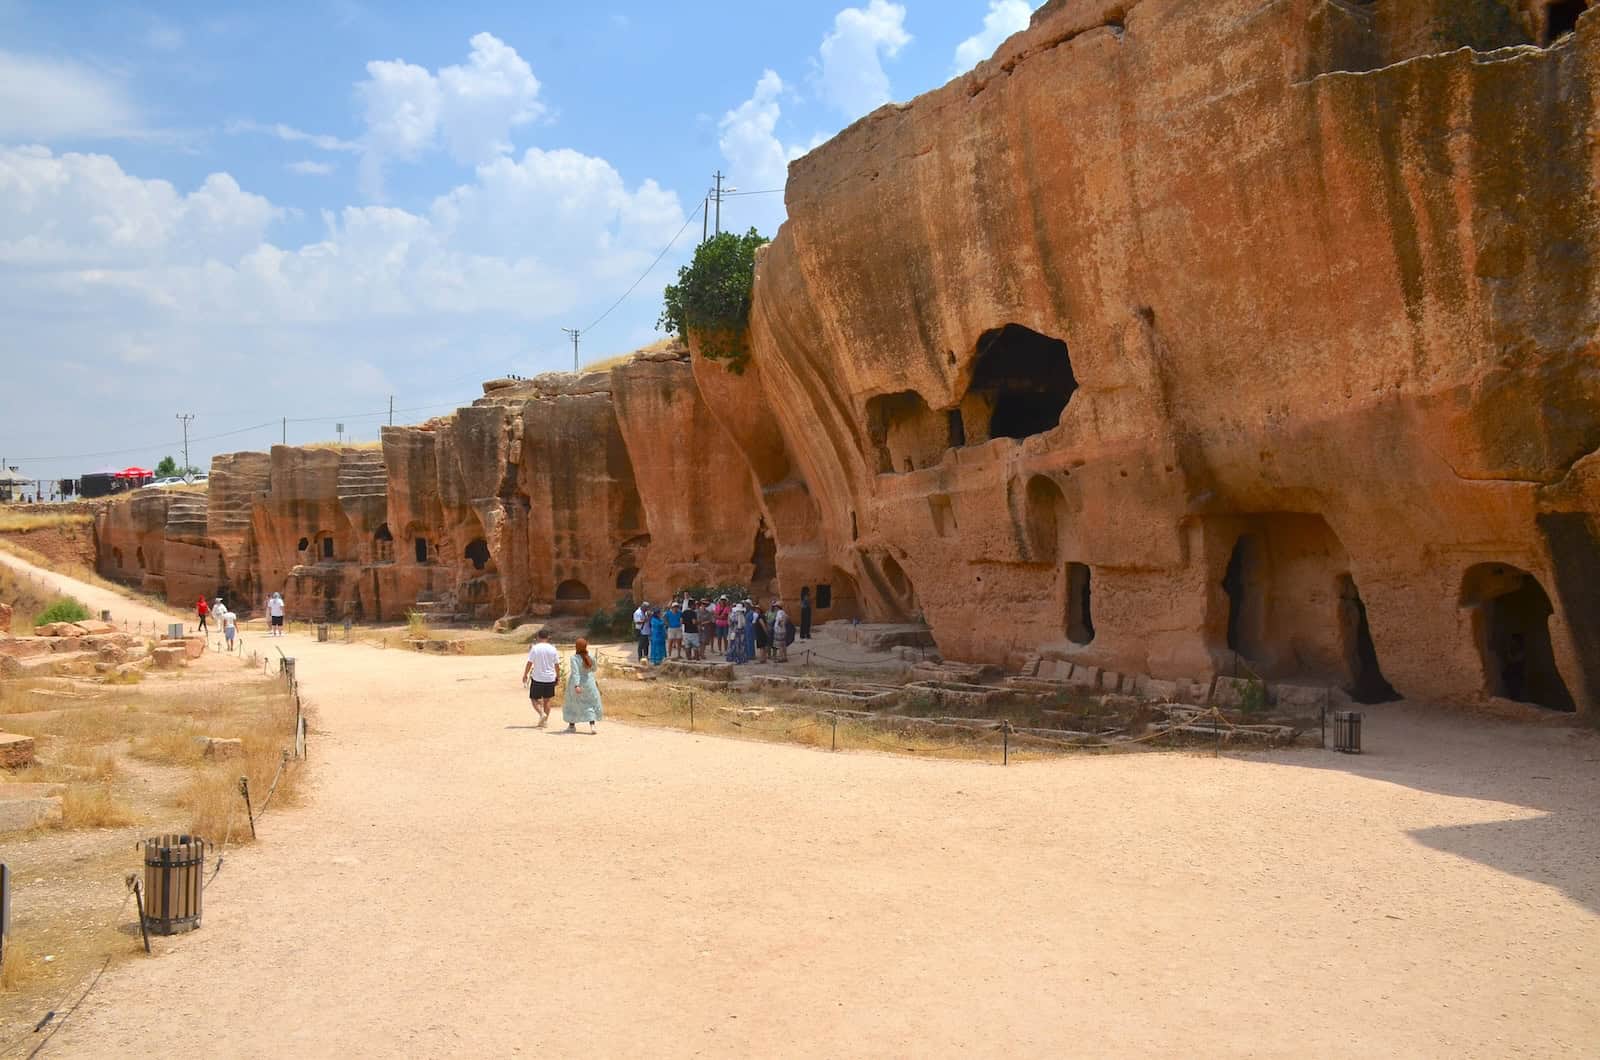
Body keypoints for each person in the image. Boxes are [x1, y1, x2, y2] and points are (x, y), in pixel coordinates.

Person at [521, 628, 562, 728]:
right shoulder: (553, 649)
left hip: (538, 678)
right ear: (548, 637)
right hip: (550, 678)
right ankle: (545, 721)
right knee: (547, 700)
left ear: (538, 637)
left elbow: (529, 663)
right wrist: (558, 676)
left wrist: (525, 674)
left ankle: (541, 714)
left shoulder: (535, 648)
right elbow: (557, 664)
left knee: (534, 698)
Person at [564, 637, 603, 734]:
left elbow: (575, 672)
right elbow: (594, 669)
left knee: (573, 703)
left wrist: (576, 685)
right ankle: (592, 726)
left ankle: (571, 726)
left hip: (578, 683)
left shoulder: (574, 658)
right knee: (590, 703)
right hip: (589, 682)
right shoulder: (590, 656)